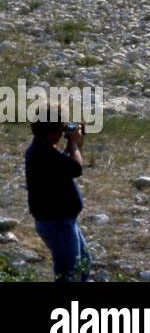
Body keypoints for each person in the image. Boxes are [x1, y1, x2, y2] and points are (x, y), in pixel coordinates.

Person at [26, 113, 91, 281]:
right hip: (57, 224)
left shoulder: (41, 148)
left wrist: (72, 142)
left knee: (83, 263)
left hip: (64, 221)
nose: (62, 133)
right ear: (52, 134)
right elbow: (76, 168)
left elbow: (64, 165)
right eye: (59, 130)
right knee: (68, 274)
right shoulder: (43, 154)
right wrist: (74, 143)